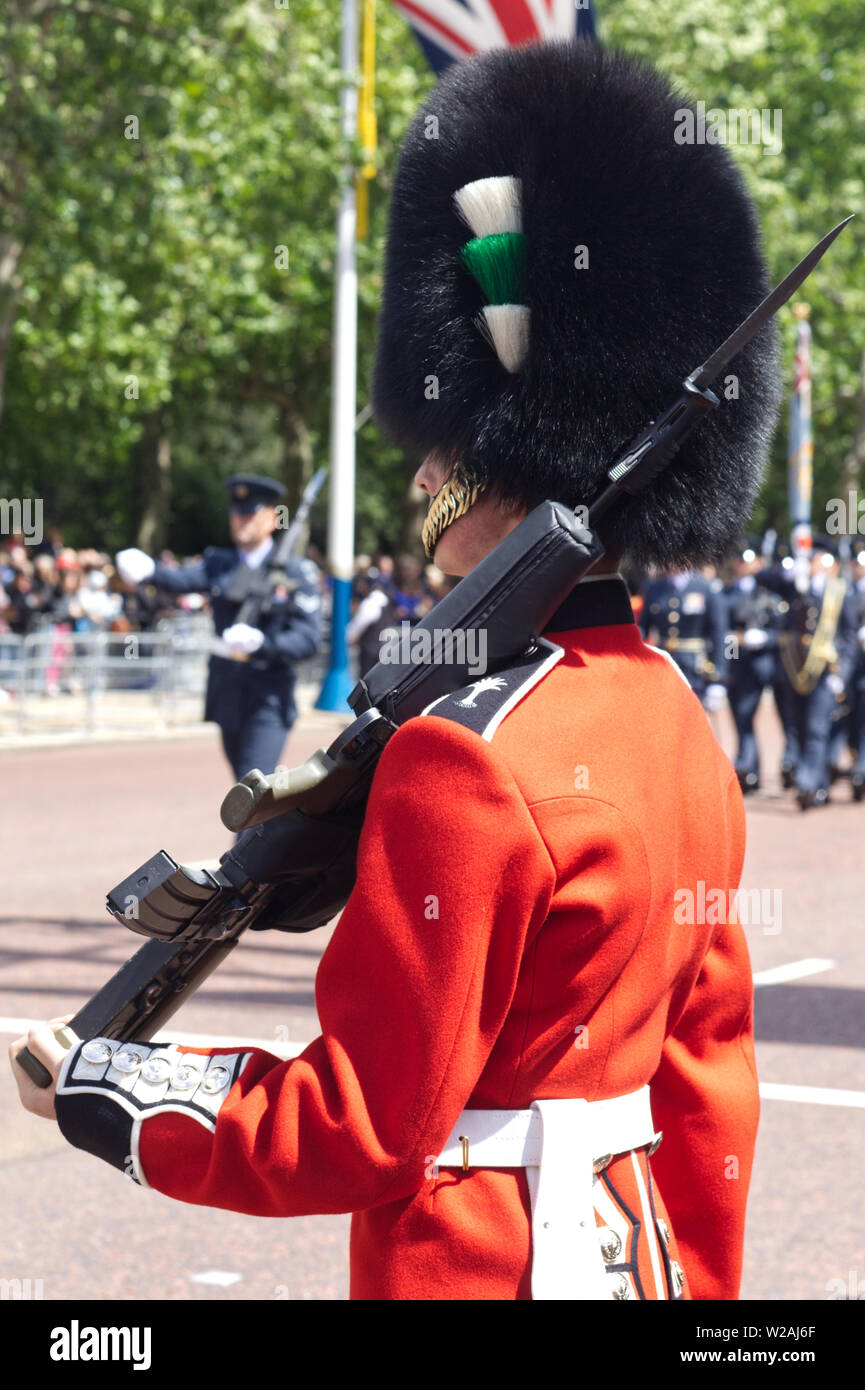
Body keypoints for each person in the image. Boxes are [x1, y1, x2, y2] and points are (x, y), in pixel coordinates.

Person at [12, 40, 780, 1301]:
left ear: (504, 459)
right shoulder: (676, 717)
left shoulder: (464, 758)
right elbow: (710, 1080)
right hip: (633, 1252)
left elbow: (361, 1121)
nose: (423, 475)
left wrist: (111, 1089)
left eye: (443, 450)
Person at [113, 475, 322, 780]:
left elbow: (308, 639)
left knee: (252, 790)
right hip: (227, 694)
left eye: (250, 513)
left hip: (268, 697)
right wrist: (149, 571)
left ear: (272, 518)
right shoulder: (219, 563)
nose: (241, 521)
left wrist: (263, 644)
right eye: (237, 513)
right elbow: (181, 581)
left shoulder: (295, 571)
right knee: (243, 782)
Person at [763, 536, 859, 809]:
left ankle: (807, 783)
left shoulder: (841, 593)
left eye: (816, 559)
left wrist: (842, 674)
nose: (813, 564)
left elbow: (849, 638)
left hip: (826, 672)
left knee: (817, 728)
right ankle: (817, 785)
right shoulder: (797, 588)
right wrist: (790, 572)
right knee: (799, 728)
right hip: (797, 670)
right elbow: (763, 580)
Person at [722, 539, 789, 792]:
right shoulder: (728, 593)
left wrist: (765, 638)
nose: (745, 565)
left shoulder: (770, 592)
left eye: (749, 560)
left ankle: (762, 764)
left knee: (763, 714)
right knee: (741, 716)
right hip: (738, 664)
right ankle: (749, 768)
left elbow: (782, 632)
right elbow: (724, 632)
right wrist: (729, 655)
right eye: (741, 561)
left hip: (765, 664)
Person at [639, 567, 729, 713]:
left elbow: (721, 634)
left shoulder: (706, 587)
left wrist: (720, 677)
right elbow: (643, 629)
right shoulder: (654, 588)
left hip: (695, 667)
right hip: (663, 664)